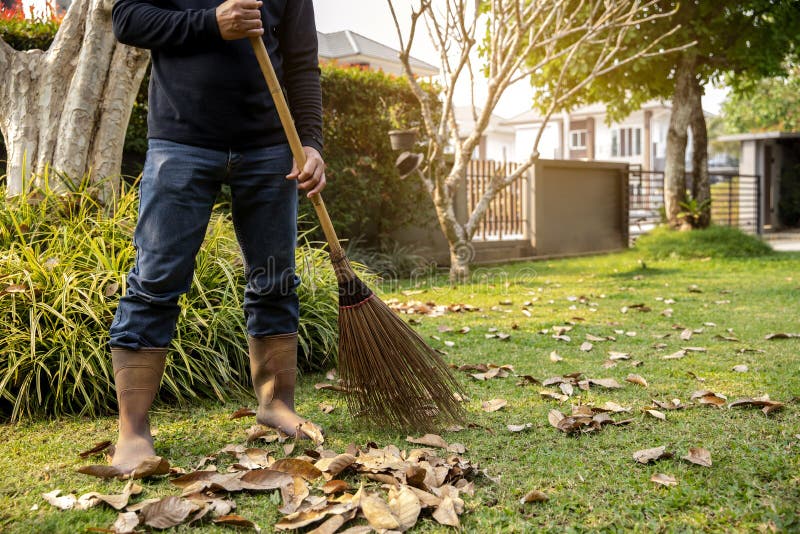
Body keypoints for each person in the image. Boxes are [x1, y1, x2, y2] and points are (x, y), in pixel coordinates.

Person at [109, 0, 325, 472]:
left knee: (275, 278)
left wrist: (310, 142)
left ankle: (276, 404)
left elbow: (303, 62)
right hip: (181, 141)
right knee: (155, 282)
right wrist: (211, 22)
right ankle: (132, 432)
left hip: (271, 145)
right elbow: (127, 19)